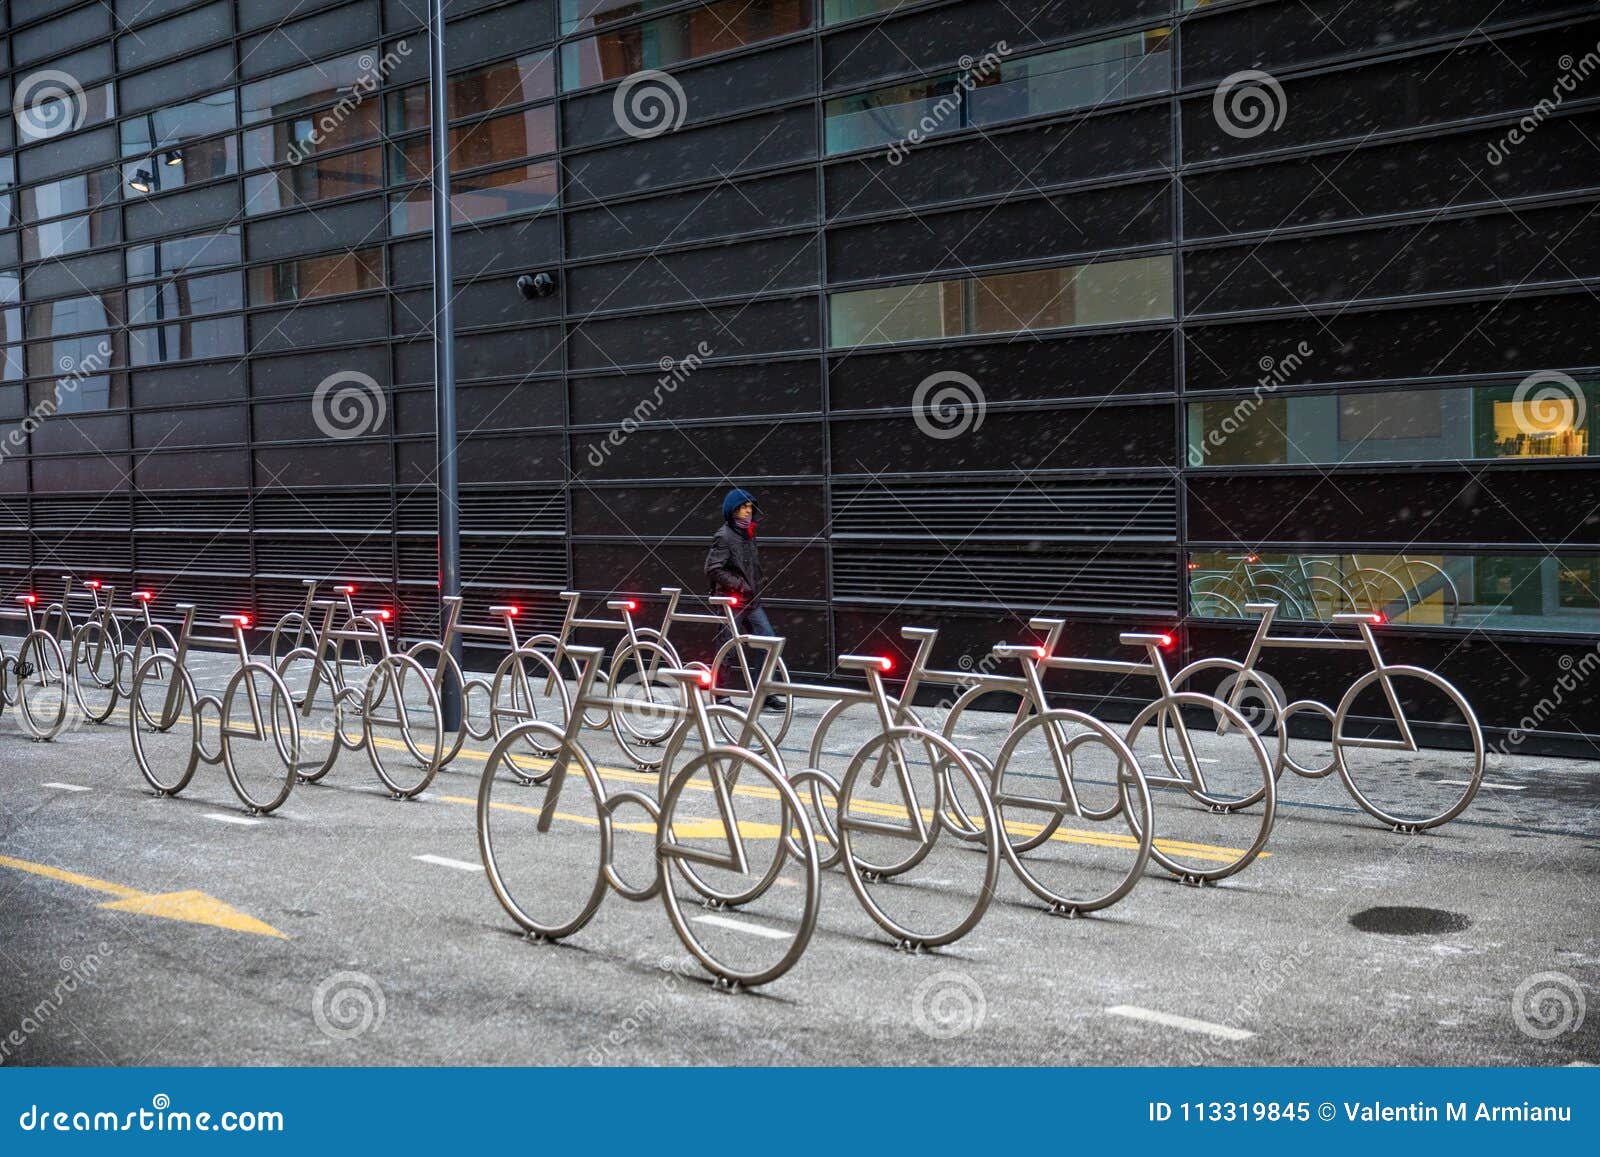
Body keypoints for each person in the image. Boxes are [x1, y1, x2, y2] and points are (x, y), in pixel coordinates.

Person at [705, 487, 785, 711]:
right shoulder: (724, 536)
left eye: (750, 507)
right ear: (733, 511)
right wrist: (740, 585)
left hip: (751, 600)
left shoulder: (748, 533)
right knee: (728, 648)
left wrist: (756, 582)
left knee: (768, 642)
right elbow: (713, 568)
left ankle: (764, 692)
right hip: (731, 601)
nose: (748, 511)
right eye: (743, 507)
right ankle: (721, 697)